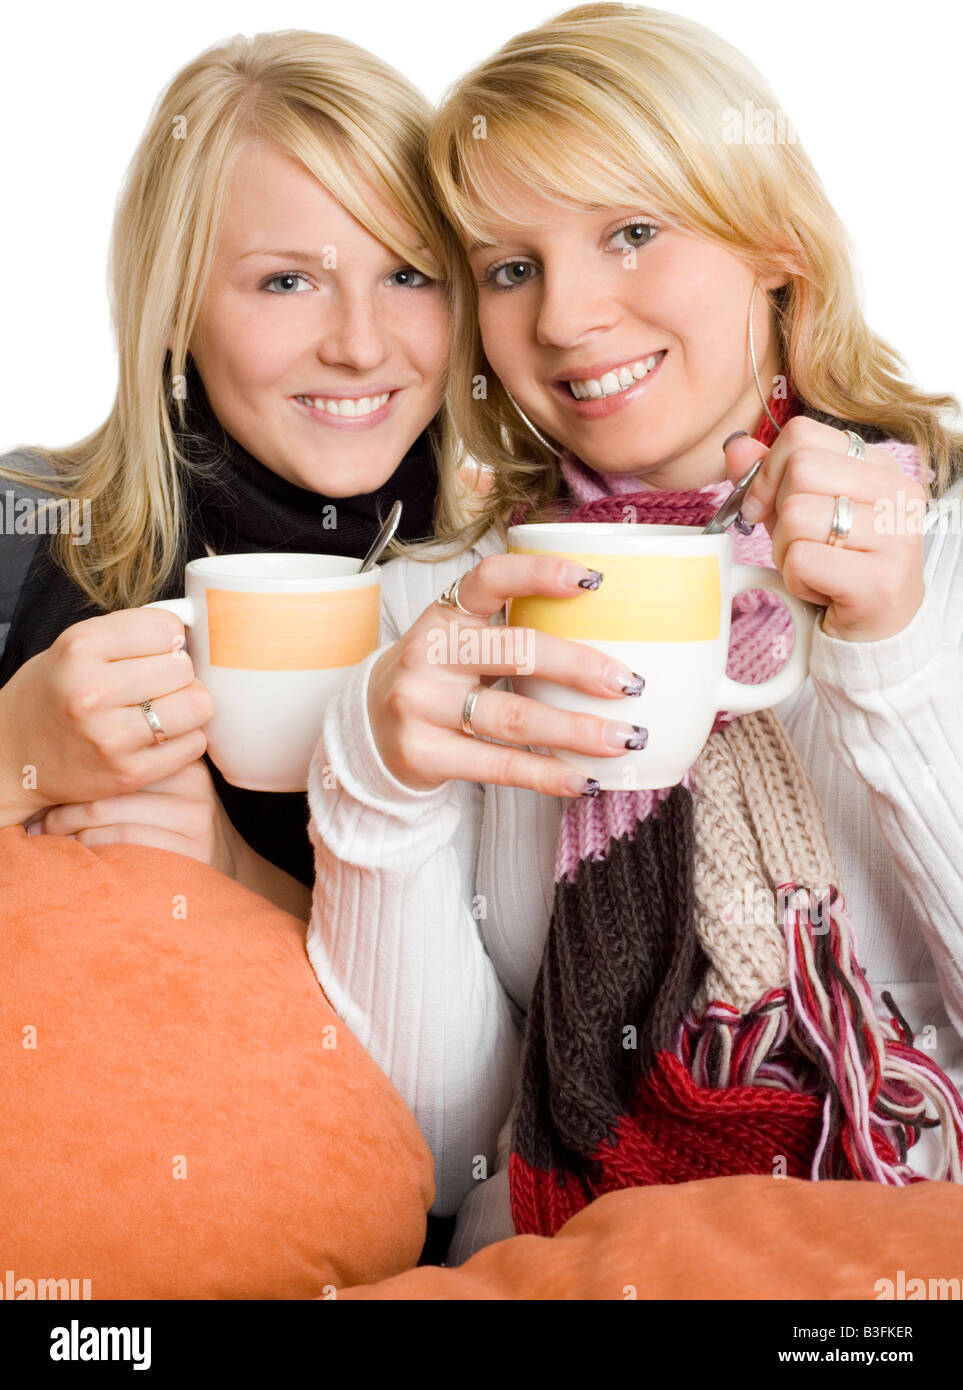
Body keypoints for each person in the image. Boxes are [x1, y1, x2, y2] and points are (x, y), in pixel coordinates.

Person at [305, 3, 963, 1263]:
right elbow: (453, 1157)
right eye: (510, 267)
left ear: (775, 247)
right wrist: (377, 785)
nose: (562, 318)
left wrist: (890, 652)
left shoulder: (933, 543)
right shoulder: (431, 617)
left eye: (632, 232)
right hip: (576, 1268)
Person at [0, 30, 461, 922]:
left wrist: (237, 877)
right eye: (287, 282)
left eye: (409, 274)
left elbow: (510, 1045)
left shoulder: (510, 581)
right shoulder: (21, 530)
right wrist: (12, 752)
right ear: (174, 306)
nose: (360, 344)